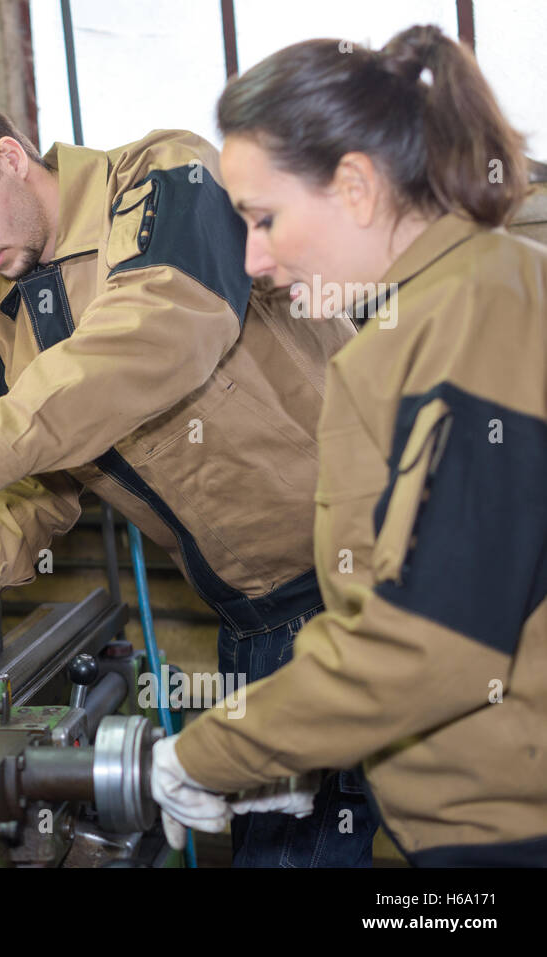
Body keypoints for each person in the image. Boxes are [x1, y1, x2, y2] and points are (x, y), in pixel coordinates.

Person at [0, 87, 377, 865]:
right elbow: (33, 478)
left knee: (476, 831)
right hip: (264, 618)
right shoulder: (8, 308)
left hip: (384, 572)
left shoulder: (165, 179)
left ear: (11, 155)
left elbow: (162, 330)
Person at [153, 24, 547, 866]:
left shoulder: (477, 313)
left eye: (264, 219)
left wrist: (219, 748)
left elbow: (434, 639)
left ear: (358, 186)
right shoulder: (419, 319)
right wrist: (314, 735)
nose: (253, 258)